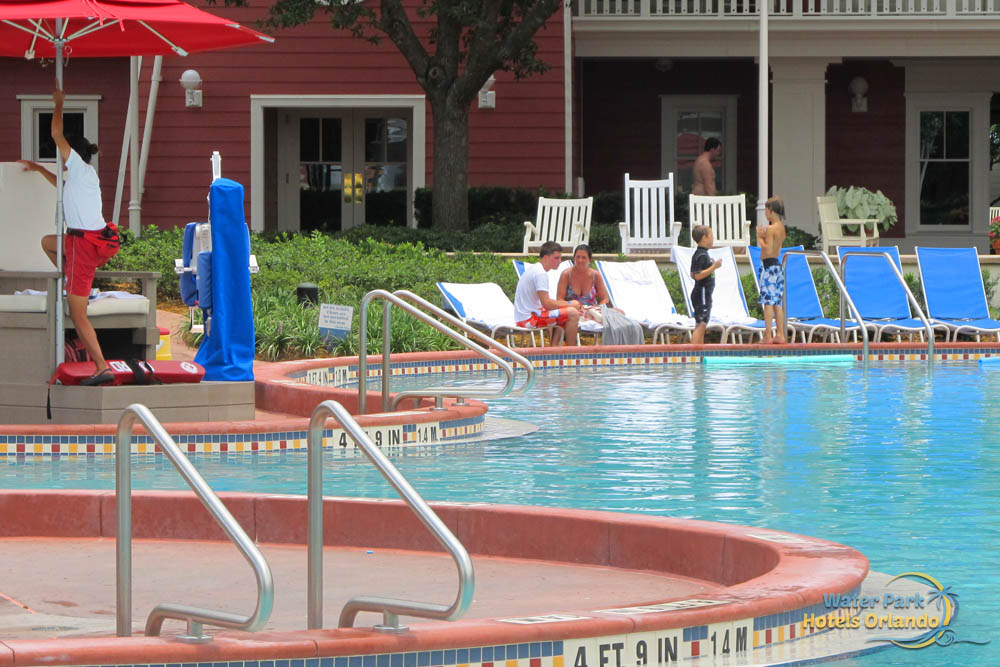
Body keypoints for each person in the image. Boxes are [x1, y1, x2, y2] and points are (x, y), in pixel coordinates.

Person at [19, 89, 112, 385]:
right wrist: (38, 170)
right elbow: (60, 184)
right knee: (48, 243)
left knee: (77, 313)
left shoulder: (81, 170)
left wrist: (58, 104)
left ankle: (101, 366)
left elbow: (57, 133)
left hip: (84, 245)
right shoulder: (81, 177)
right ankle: (69, 281)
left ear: (73, 152)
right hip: (79, 242)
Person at [514, 241, 581, 346]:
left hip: (524, 316)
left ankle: (554, 349)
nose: (559, 261)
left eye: (560, 258)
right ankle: (571, 350)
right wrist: (570, 304)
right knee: (572, 313)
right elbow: (547, 304)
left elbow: (547, 305)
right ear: (545, 258)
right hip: (529, 319)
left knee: (561, 313)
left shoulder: (535, 269)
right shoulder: (540, 274)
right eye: (556, 258)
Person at [557, 244, 614, 323]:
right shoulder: (566, 275)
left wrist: (598, 309)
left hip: (592, 313)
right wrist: (570, 305)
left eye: (584, 257)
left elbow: (605, 298)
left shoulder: (595, 275)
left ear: (589, 260)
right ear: (574, 258)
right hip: (572, 313)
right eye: (578, 257)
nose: (580, 260)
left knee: (619, 312)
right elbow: (559, 299)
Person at [758, 196, 788, 344]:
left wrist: (760, 238)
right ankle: (780, 335)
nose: (765, 213)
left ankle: (768, 335)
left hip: (768, 267)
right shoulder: (781, 228)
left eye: (766, 210)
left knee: (768, 303)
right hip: (777, 267)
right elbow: (777, 248)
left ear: (771, 211)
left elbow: (768, 249)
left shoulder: (771, 228)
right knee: (777, 302)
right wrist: (765, 236)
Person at [689, 225, 723, 345]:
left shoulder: (700, 254)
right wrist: (714, 266)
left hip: (701, 293)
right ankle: (692, 355)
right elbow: (697, 276)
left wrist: (710, 266)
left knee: (701, 324)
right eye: (712, 236)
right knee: (701, 324)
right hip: (702, 292)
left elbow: (692, 274)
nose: (713, 239)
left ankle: (699, 354)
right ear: (704, 238)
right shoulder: (702, 255)